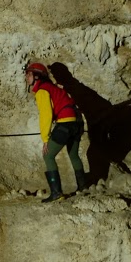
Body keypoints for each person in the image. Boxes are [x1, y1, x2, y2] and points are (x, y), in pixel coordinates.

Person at [24, 61, 88, 202]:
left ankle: (56, 193)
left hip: (65, 123)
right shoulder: (53, 88)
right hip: (77, 123)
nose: (26, 77)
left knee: (48, 156)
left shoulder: (42, 91)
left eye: (28, 74)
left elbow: (46, 115)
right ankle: (83, 188)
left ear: (36, 77)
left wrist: (45, 139)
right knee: (73, 154)